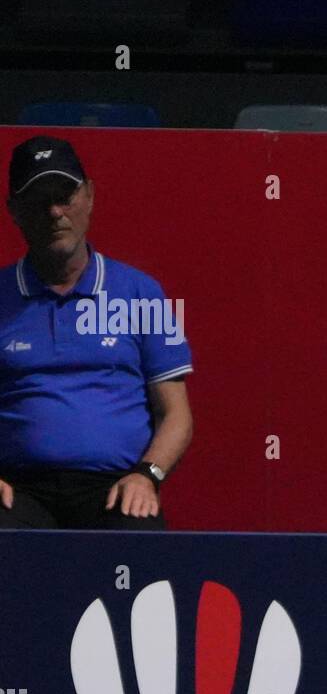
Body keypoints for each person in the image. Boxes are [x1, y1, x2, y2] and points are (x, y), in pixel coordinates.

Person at [0, 136, 193, 530]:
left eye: (65, 195)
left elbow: (177, 414)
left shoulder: (141, 292)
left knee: (140, 530)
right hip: (19, 490)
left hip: (114, 487)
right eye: (38, 199)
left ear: (89, 195)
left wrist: (147, 475)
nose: (55, 212)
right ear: (14, 210)